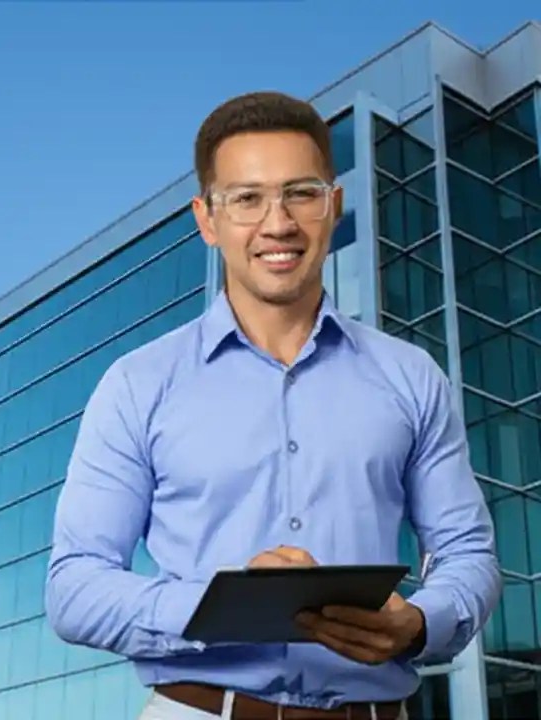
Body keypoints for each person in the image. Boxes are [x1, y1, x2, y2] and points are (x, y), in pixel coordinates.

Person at [45, 91, 501, 720]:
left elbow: (469, 554)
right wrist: (218, 606)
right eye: (247, 198)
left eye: (302, 193)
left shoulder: (411, 377)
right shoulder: (136, 385)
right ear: (207, 220)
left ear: (334, 206)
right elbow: (74, 588)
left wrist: (421, 622)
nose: (277, 223)